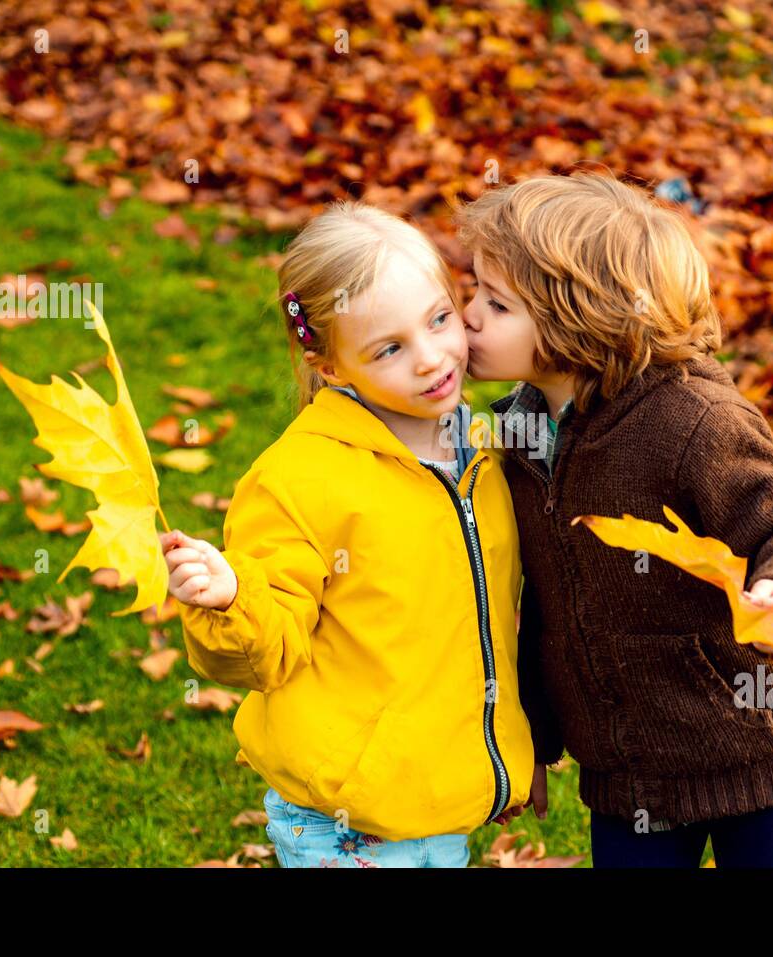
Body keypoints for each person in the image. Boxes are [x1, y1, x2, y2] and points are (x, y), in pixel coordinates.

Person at [456, 171, 773, 867]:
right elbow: (546, 604)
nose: (470, 316)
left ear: (581, 321)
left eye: (497, 303)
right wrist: (534, 739)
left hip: (753, 743)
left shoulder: (691, 420)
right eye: (474, 293)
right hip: (630, 767)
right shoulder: (518, 435)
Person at [160, 201, 534, 867]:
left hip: (440, 797)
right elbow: (265, 650)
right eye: (389, 348)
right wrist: (230, 598)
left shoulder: (482, 448)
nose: (430, 358)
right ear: (328, 364)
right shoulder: (300, 479)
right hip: (347, 817)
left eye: (439, 319)